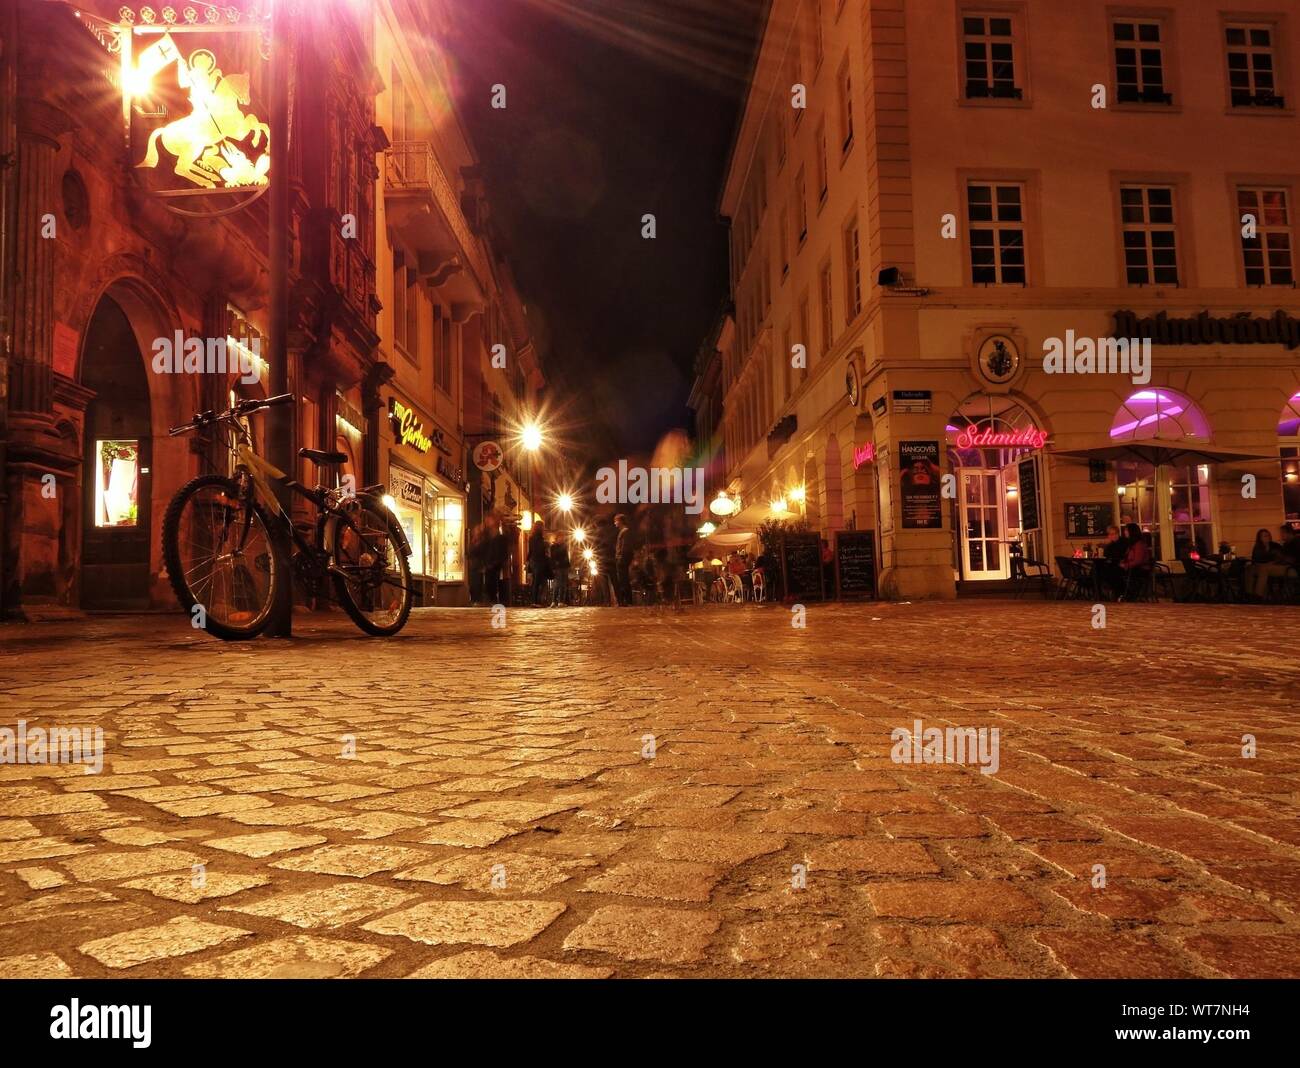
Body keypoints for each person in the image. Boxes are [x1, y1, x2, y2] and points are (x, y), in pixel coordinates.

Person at [1245, 527, 1289, 601]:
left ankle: (1258, 596)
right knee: (1249, 568)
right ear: (1260, 538)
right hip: (1259, 565)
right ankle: (1248, 594)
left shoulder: (1275, 546)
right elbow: (1255, 559)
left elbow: (1280, 557)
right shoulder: (1258, 548)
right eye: (1264, 536)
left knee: (1262, 569)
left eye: (1268, 535)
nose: (1267, 537)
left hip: (1272, 566)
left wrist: (1272, 562)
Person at [1117, 522, 1152, 599]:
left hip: (1141, 569)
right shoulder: (1131, 544)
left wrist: (1126, 565)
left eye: (1126, 530)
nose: (1124, 532)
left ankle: (1126, 594)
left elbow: (1138, 560)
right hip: (1133, 568)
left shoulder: (1139, 544)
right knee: (1112, 571)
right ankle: (1123, 593)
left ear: (1132, 531)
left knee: (1116, 573)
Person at [1097, 524, 1128, 599]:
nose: (1111, 536)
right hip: (1113, 565)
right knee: (1097, 569)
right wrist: (1106, 545)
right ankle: (1100, 594)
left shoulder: (1123, 542)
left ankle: (1114, 593)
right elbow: (1106, 555)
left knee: (1106, 571)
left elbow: (1119, 555)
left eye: (1113, 534)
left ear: (1117, 534)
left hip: (1121, 566)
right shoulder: (1111, 544)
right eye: (1109, 534)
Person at [527, 518, 550, 605]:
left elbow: (531, 550)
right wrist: (545, 546)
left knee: (537, 581)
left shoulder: (531, 537)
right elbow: (538, 550)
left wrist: (528, 560)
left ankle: (537, 600)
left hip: (533, 560)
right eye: (543, 527)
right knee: (538, 582)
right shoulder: (539, 538)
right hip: (539, 561)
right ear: (540, 527)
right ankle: (536, 601)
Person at [614, 513, 635, 606]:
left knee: (623, 579)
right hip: (622, 558)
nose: (615, 523)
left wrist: (621, 557)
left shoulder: (625, 531)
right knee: (623, 579)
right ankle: (626, 600)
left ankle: (627, 601)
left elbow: (625, 546)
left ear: (621, 521)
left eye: (616, 521)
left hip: (622, 558)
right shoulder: (623, 532)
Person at [548, 533, 570, 607]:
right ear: (557, 538)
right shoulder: (553, 546)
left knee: (563, 584)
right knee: (557, 584)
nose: (562, 539)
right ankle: (554, 601)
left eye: (563, 538)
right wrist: (553, 567)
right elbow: (553, 557)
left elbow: (566, 556)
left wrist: (568, 565)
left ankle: (561, 601)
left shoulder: (565, 546)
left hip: (565, 567)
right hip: (558, 567)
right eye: (560, 538)